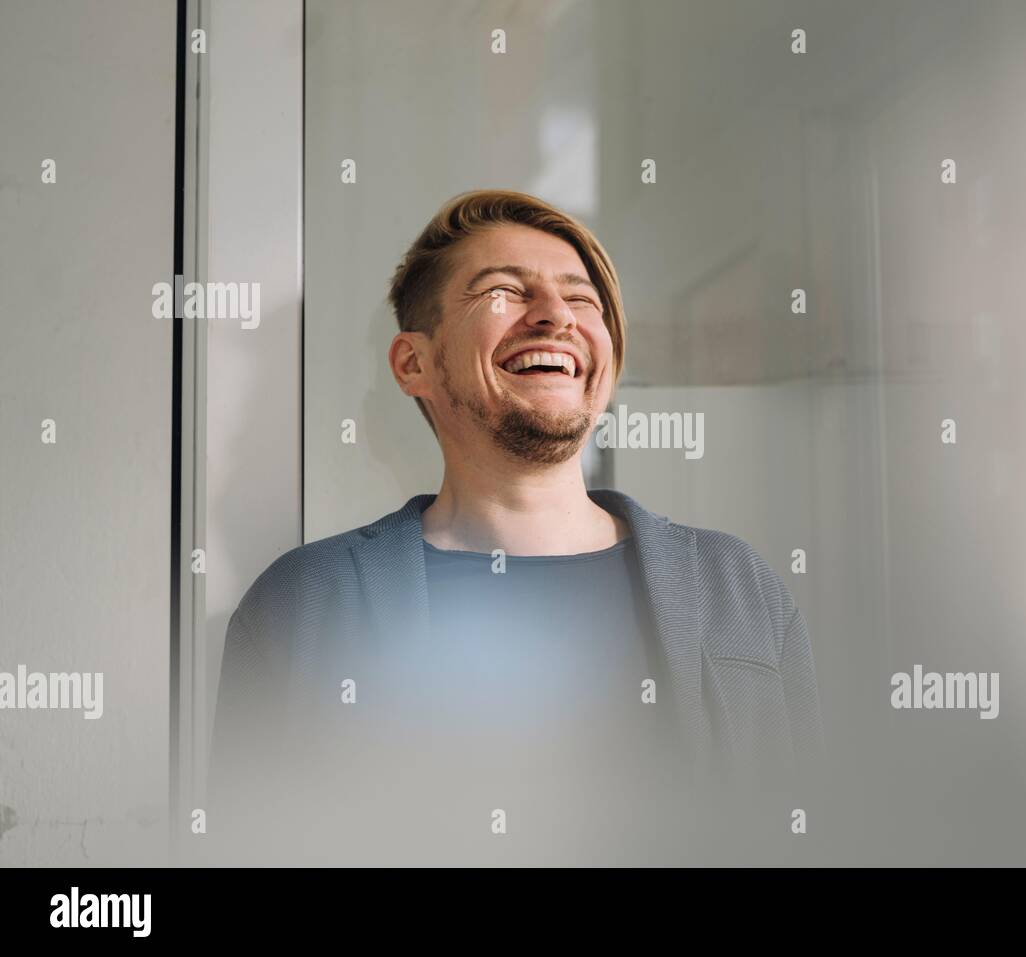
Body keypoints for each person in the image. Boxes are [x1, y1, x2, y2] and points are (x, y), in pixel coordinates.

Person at [209, 189, 825, 862]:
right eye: (504, 291)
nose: (557, 316)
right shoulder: (298, 604)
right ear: (413, 363)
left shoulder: (740, 589)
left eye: (581, 299)